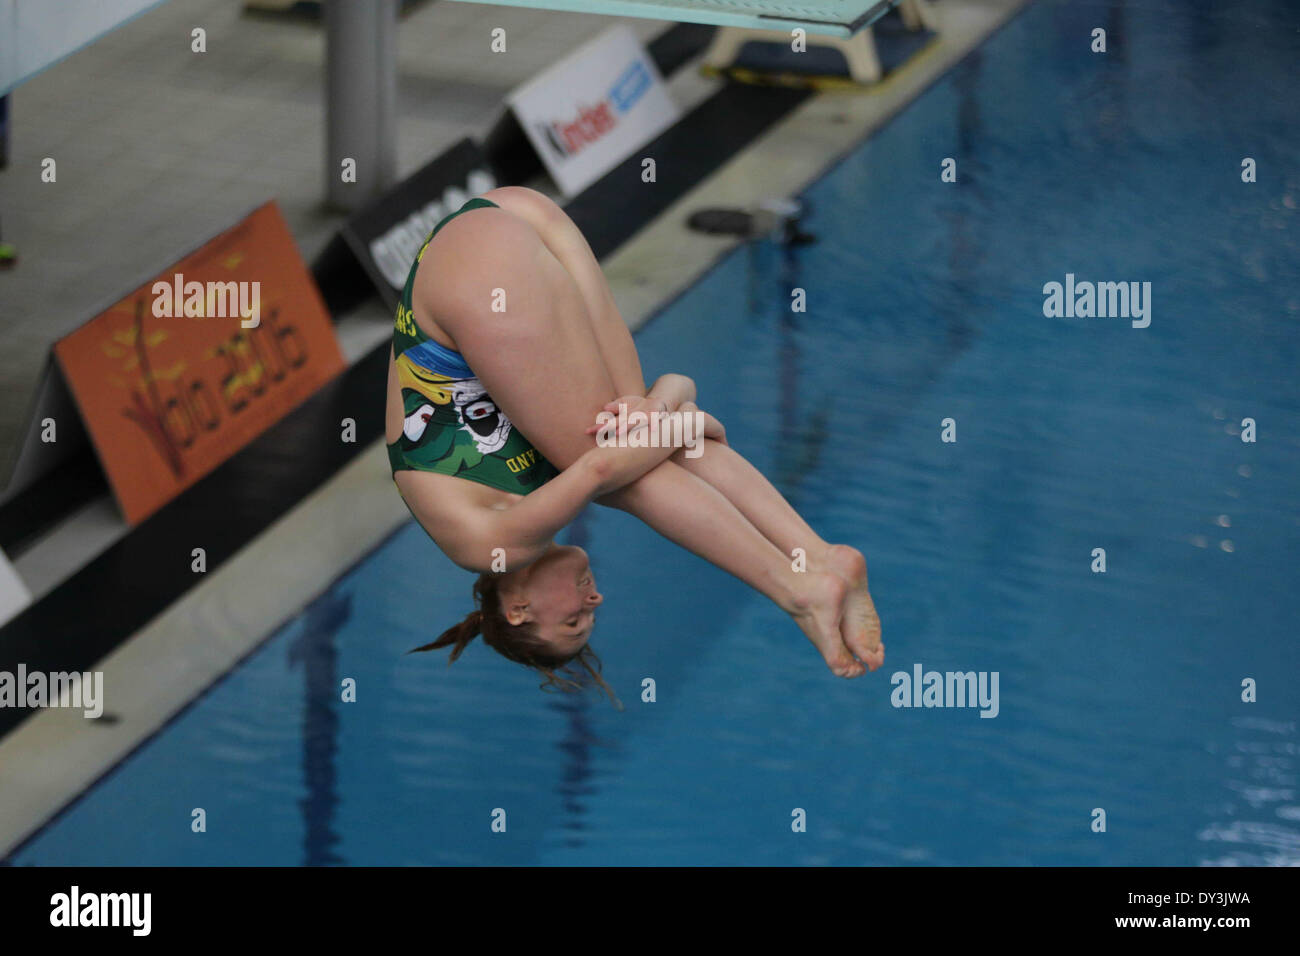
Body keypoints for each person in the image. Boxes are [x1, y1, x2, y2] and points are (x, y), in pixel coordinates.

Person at [387, 187, 882, 700]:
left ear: (518, 611)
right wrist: (671, 413)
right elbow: (671, 389)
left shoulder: (490, 549)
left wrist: (681, 421)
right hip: (514, 214)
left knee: (616, 471)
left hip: (479, 274)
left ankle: (797, 590)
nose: (594, 600)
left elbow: (599, 471)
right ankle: (818, 556)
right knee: (629, 427)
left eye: (575, 622)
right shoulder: (539, 477)